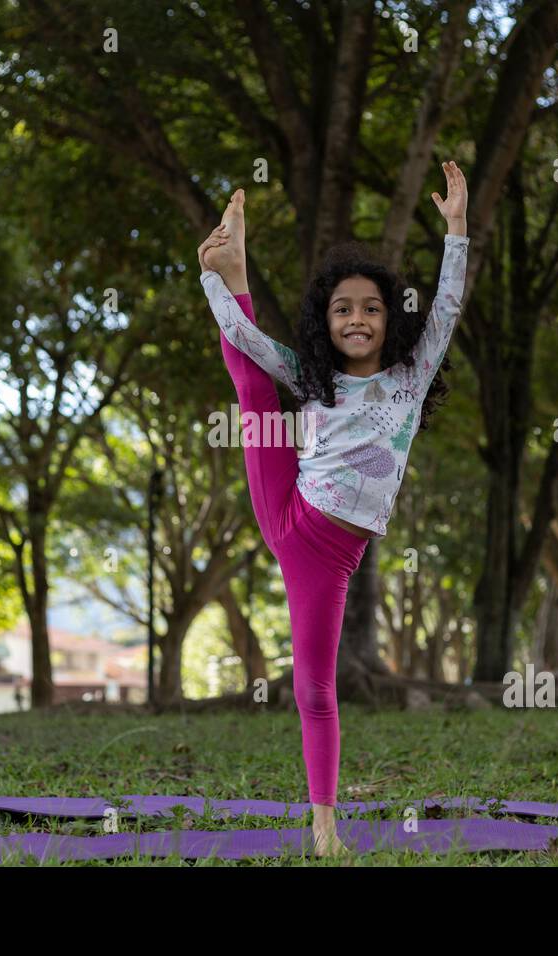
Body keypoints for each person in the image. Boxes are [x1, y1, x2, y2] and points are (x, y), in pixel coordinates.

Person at [197, 162, 469, 856]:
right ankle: (239, 266)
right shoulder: (314, 381)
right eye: (343, 308)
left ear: (389, 320)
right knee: (257, 391)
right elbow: (251, 345)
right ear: (327, 320)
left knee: (316, 687)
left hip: (328, 554)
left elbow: (447, 306)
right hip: (293, 516)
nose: (357, 318)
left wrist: (458, 229)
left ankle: (324, 829)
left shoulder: (411, 377)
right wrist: (217, 283)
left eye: (371, 308)